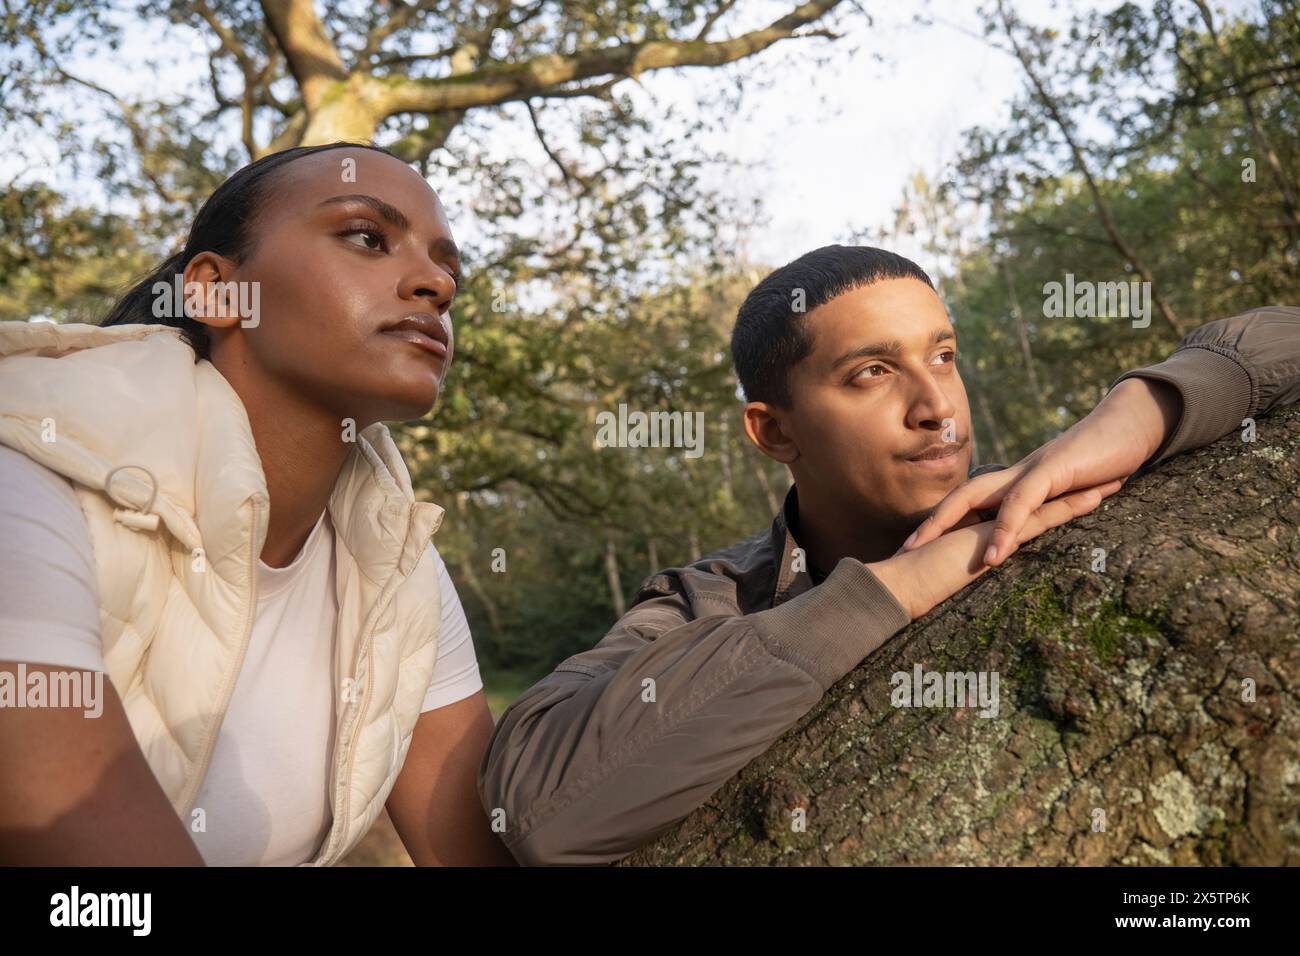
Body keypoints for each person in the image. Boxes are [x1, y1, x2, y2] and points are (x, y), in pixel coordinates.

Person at [478, 244, 1300, 865]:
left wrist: (1143, 405)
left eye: (942, 355)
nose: (936, 406)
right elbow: (541, 810)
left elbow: (1281, 340)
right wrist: (894, 589)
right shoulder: (708, 600)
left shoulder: (1063, 505)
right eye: (872, 372)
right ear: (774, 431)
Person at [0, 142, 515, 866]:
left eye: (447, 267)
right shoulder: (31, 483)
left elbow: (474, 854)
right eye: (368, 237)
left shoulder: (396, 564)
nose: (437, 283)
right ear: (215, 292)